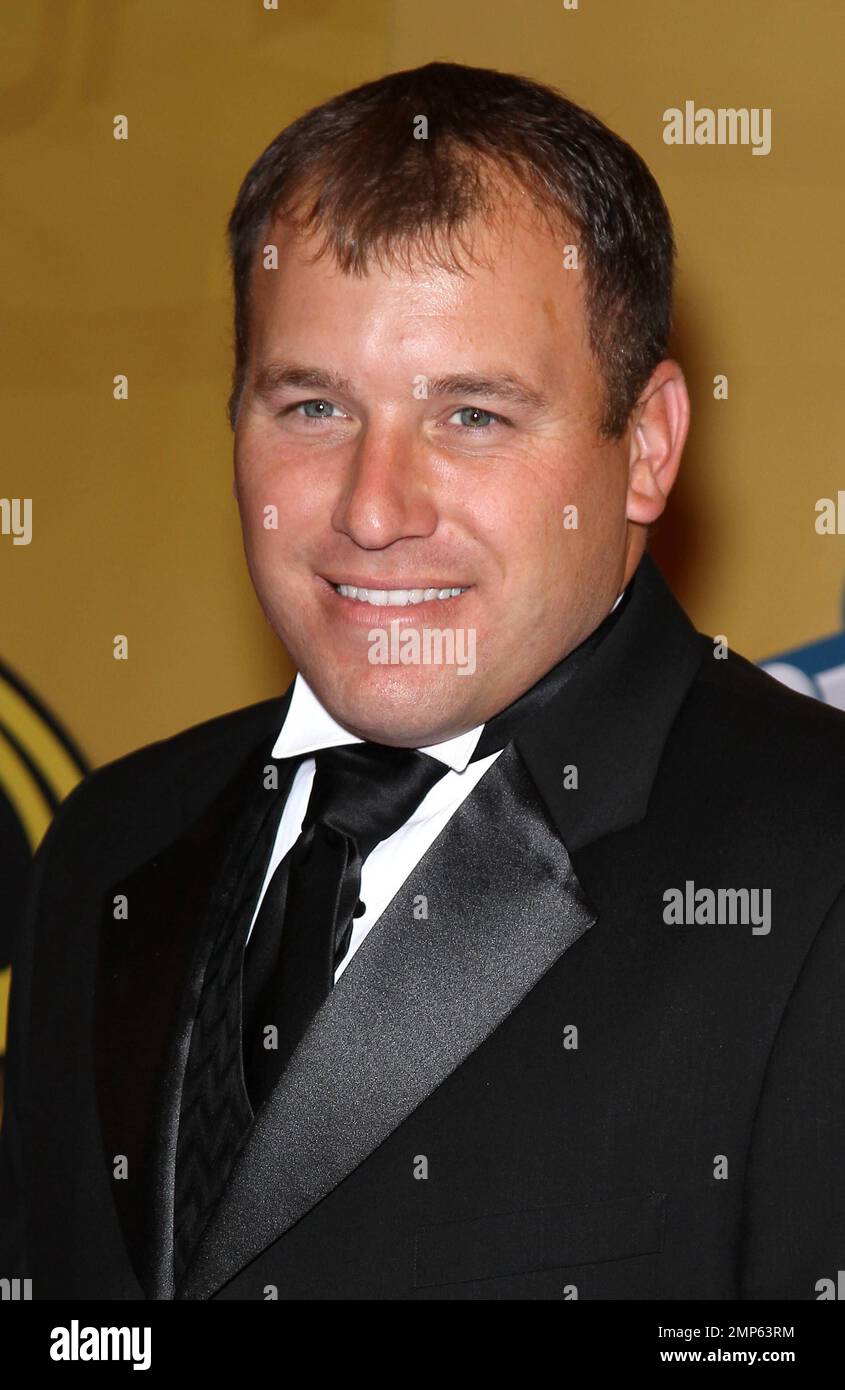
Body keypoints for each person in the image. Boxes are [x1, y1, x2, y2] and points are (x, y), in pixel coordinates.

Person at [2, 60, 844, 1302]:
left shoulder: (816, 863)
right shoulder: (105, 846)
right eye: (311, 407)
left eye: (470, 416)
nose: (372, 508)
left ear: (647, 446)